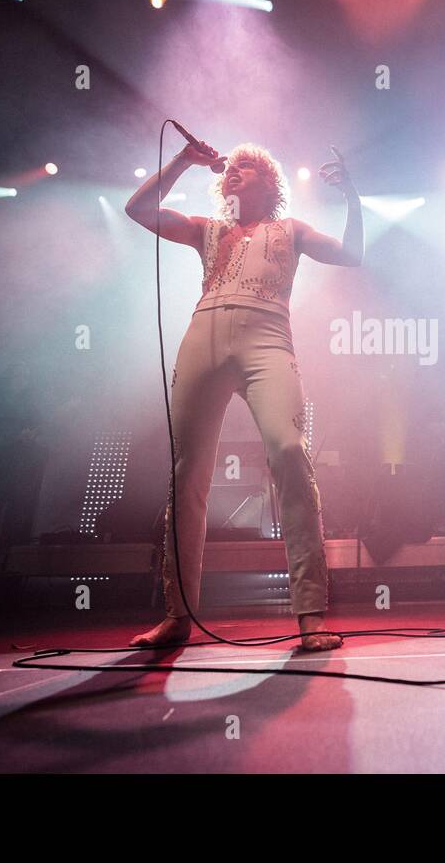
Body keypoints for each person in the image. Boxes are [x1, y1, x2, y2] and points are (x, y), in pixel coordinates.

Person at [124, 138, 362, 651]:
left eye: (247, 166)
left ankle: (311, 613)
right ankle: (177, 614)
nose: (234, 171)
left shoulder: (290, 230)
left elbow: (352, 255)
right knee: (188, 474)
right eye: (230, 167)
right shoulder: (205, 229)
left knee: (289, 450)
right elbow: (137, 209)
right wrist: (184, 161)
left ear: (272, 183)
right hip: (203, 336)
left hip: (268, 339)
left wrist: (353, 199)